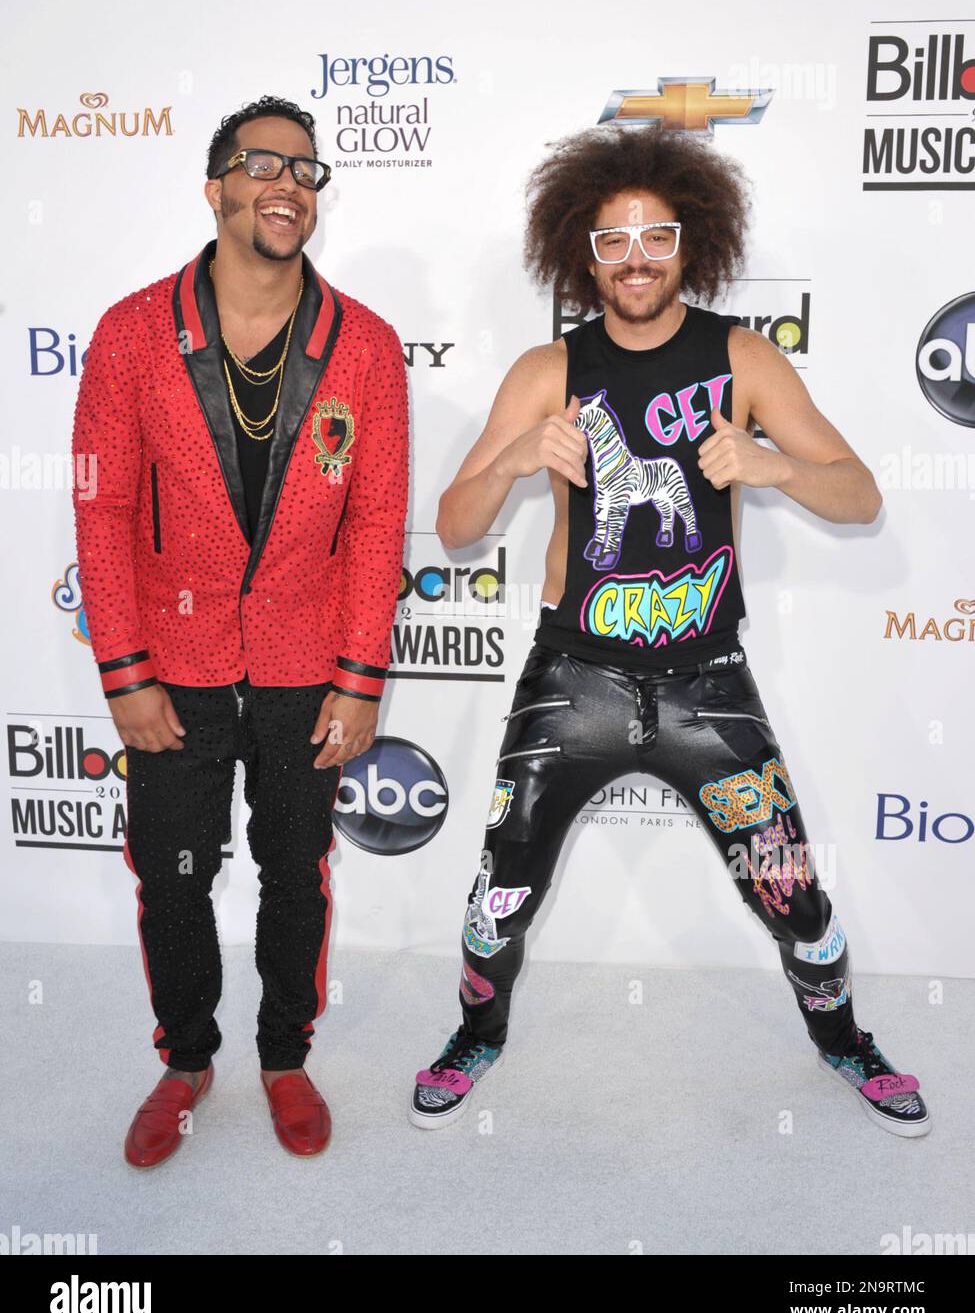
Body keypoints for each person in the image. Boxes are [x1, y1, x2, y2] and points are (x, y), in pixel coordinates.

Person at [409, 123, 929, 1138]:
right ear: (583, 251)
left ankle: (843, 1043)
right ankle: (478, 1031)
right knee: (496, 897)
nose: (637, 257)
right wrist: (515, 452)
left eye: (657, 236)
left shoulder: (741, 358)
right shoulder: (546, 368)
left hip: (708, 684)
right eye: (614, 240)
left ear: (692, 244)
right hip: (574, 679)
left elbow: (860, 494)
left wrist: (774, 466)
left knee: (794, 898)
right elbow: (459, 524)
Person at [72, 95, 409, 1166]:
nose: (287, 185)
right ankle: (185, 1057)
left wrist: (359, 681)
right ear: (215, 186)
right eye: (262, 165)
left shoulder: (365, 345)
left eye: (307, 171)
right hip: (172, 665)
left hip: (309, 669)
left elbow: (374, 523)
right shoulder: (132, 333)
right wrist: (125, 673)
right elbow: (103, 509)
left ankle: (282, 1054)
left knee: (293, 868)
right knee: (171, 874)